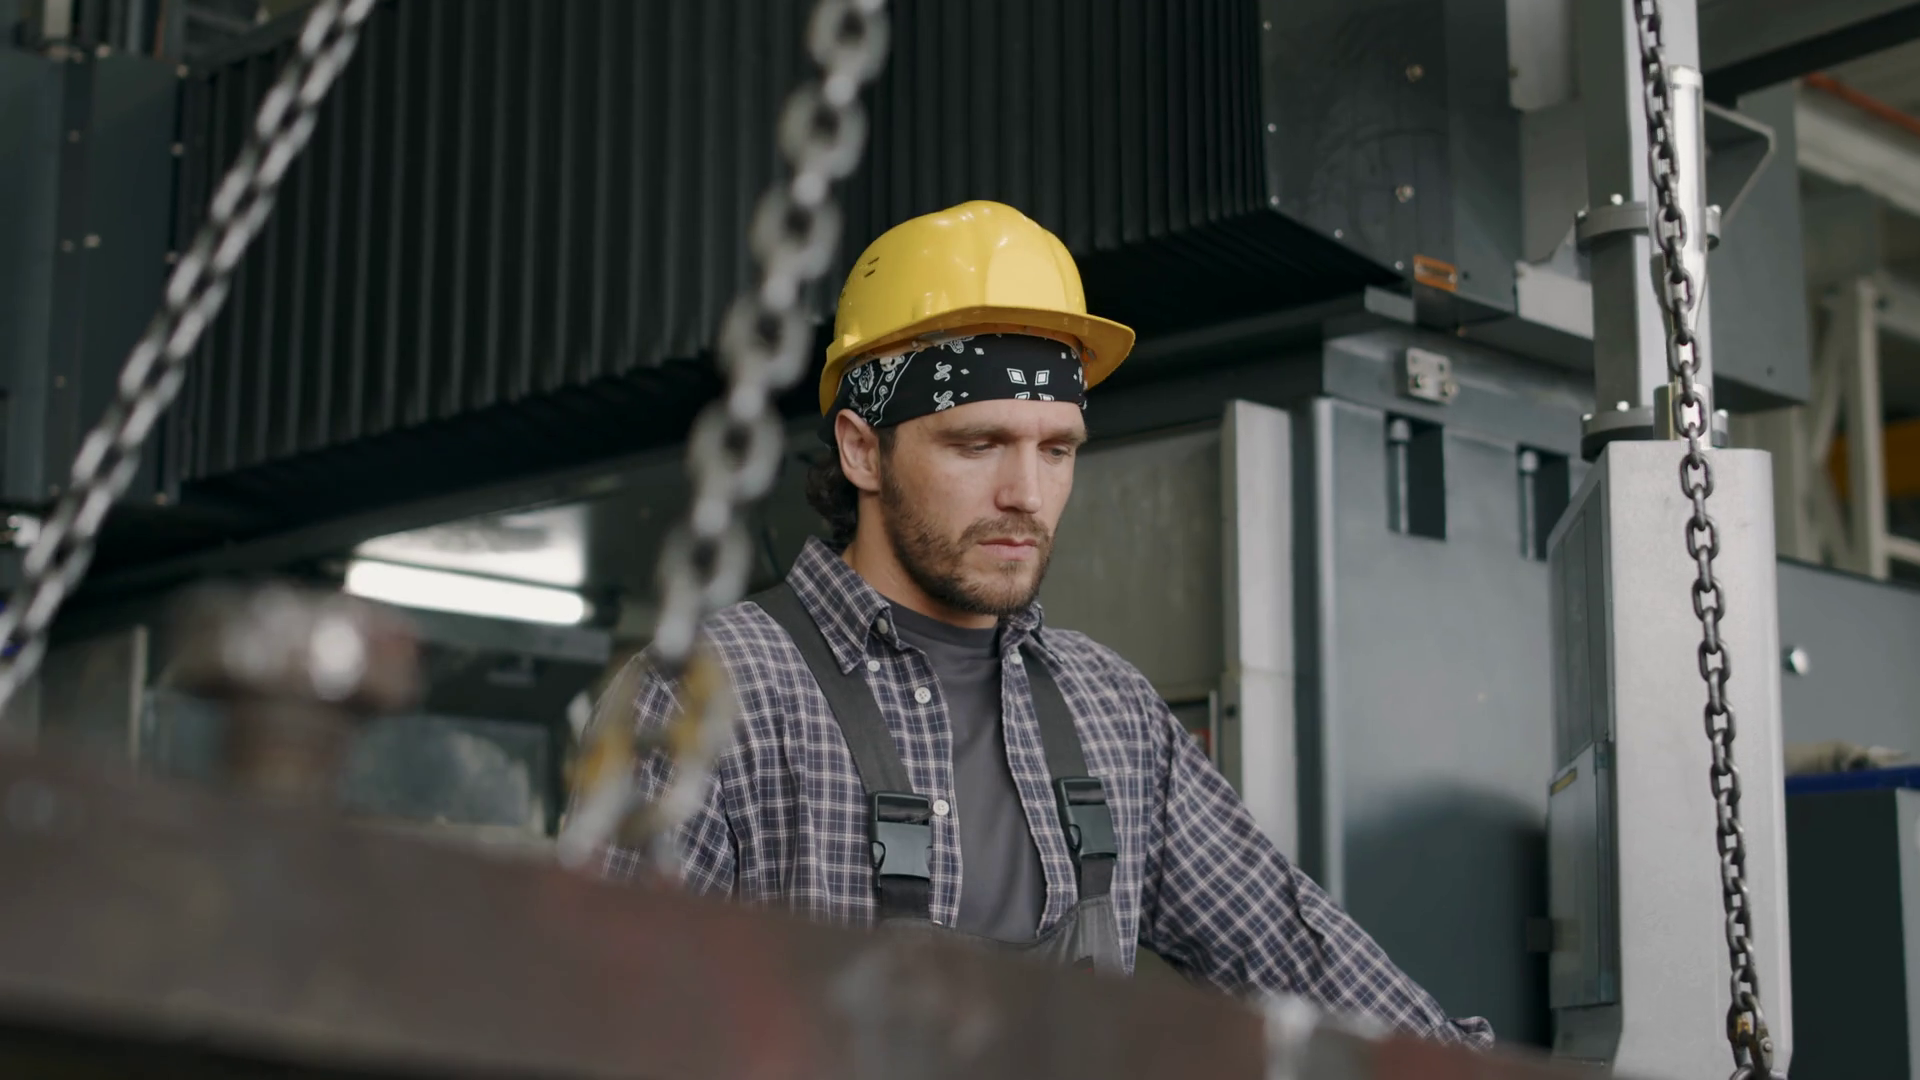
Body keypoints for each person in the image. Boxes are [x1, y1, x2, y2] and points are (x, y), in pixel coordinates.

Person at [597, 200, 1491, 1047]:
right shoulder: (703, 696)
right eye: (978, 444)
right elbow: (601, 1020)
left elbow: (1296, 954)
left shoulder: (1111, 712)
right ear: (862, 449)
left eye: (1056, 450)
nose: (1026, 494)